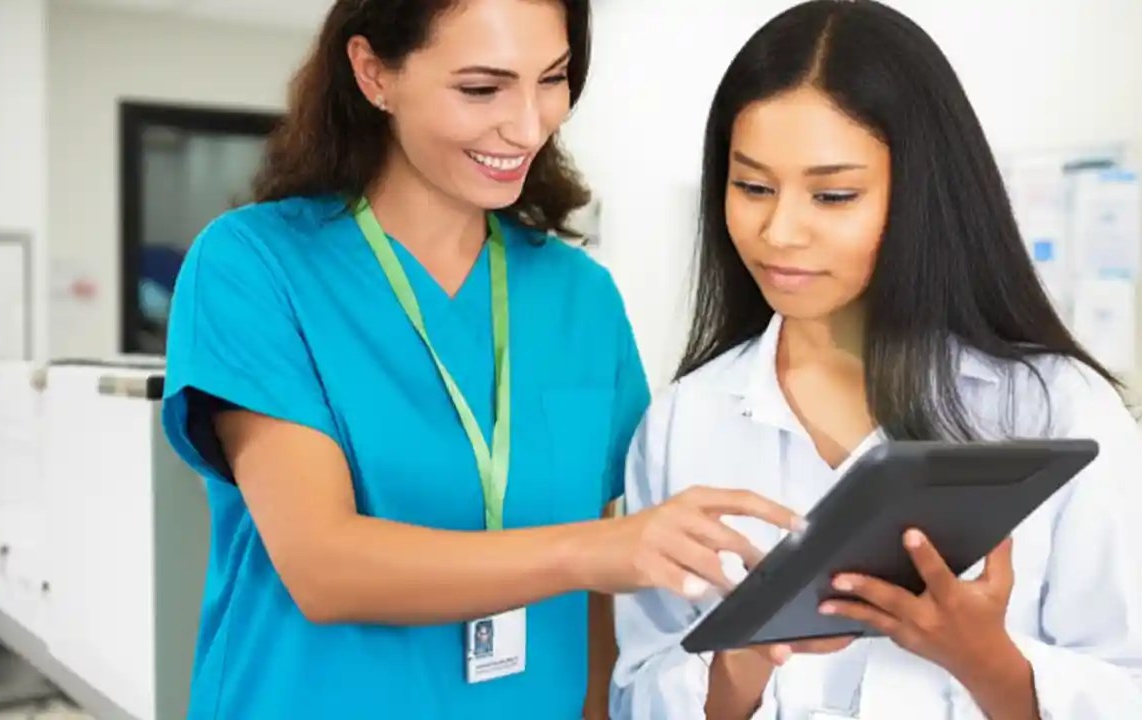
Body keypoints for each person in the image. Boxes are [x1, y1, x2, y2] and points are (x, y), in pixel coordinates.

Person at [159, 0, 802, 718]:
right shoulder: (255, 264)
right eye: (481, 88)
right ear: (374, 74)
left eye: (552, 78)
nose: (529, 126)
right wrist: (594, 548)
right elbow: (323, 566)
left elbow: (597, 612)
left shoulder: (579, 296)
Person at [610, 2, 1142, 719]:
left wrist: (991, 664)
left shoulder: (1056, 410)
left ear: (921, 194)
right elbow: (636, 695)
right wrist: (743, 659)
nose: (779, 231)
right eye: (752, 186)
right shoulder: (681, 424)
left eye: (833, 195)